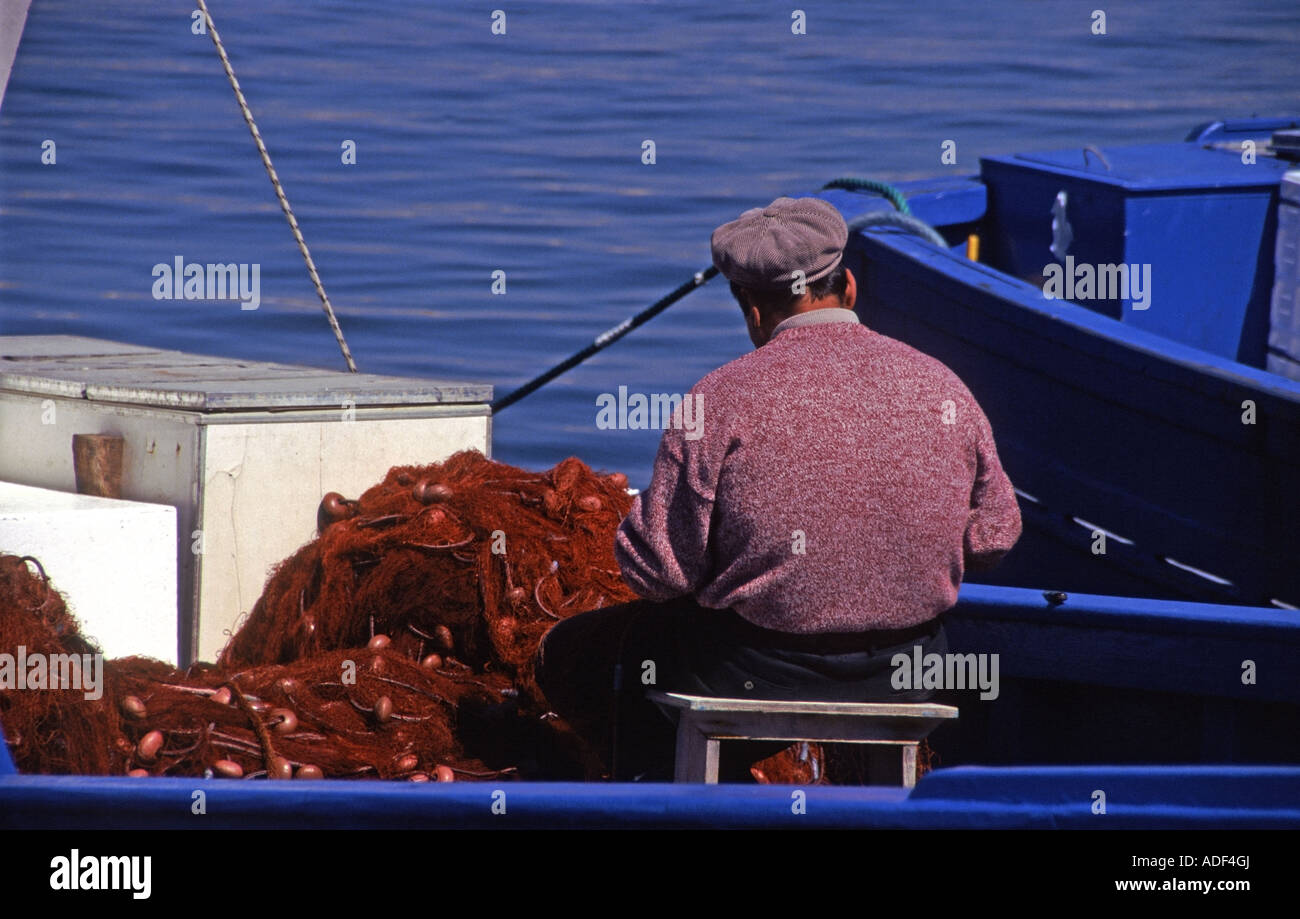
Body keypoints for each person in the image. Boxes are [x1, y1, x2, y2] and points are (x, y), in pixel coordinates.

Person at [535, 196, 1022, 780]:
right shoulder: (943, 385)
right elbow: (996, 536)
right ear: (848, 285)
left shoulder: (717, 400)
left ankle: (665, 810)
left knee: (581, 654)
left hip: (752, 667)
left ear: (751, 310)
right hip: (912, 669)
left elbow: (660, 575)